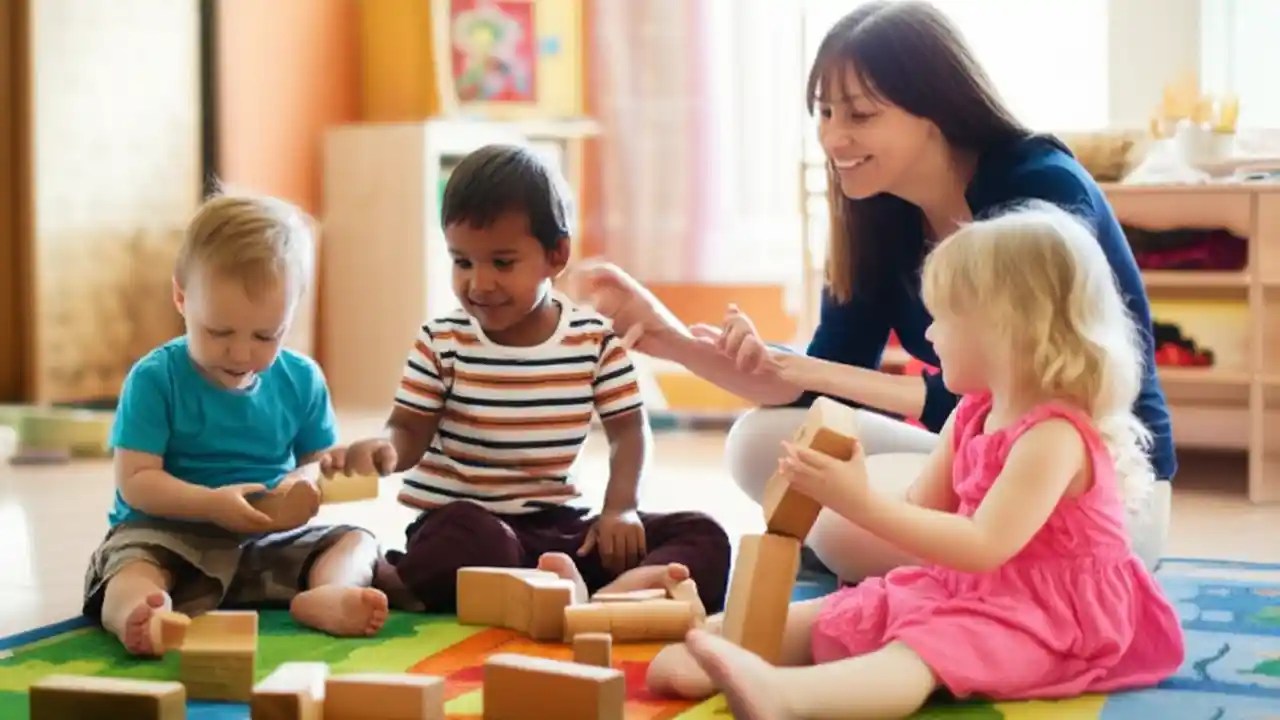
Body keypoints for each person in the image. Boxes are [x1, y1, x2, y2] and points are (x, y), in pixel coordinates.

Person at [570, 0, 1174, 579]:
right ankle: (930, 562)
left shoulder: (1035, 193)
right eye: (825, 113)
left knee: (836, 524)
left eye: (859, 115)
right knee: (761, 444)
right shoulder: (879, 208)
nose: (833, 139)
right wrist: (667, 336)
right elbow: (810, 387)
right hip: (975, 463)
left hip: (1087, 491)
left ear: (935, 111)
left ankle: (956, 570)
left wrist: (818, 380)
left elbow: (1012, 388)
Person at [645, 203, 1186, 719]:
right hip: (964, 588)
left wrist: (855, 501)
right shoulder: (972, 414)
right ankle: (719, 649)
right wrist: (852, 483)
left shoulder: (1054, 437)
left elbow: (981, 545)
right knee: (842, 614)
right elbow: (920, 509)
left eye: (943, 319)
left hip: (1054, 616)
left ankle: (789, 696)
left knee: (924, 650)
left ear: (1006, 329)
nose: (928, 335)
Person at [341, 144, 731, 614]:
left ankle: (604, 598)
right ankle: (409, 579)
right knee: (475, 544)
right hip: (468, 527)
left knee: (704, 535)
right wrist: (385, 450)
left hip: (560, 530)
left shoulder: (592, 340)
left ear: (556, 255)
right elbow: (408, 429)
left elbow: (629, 433)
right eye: (462, 261)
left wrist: (620, 510)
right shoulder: (441, 340)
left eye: (502, 263)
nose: (479, 283)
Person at [83, 195, 389, 657]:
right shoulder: (155, 379)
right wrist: (210, 504)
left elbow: (317, 465)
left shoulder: (302, 379)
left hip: (264, 543)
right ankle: (141, 615)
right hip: (168, 536)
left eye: (266, 335)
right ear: (181, 298)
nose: (242, 354)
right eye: (219, 332)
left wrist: (302, 485)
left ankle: (326, 594)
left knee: (357, 541)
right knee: (130, 567)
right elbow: (136, 483)